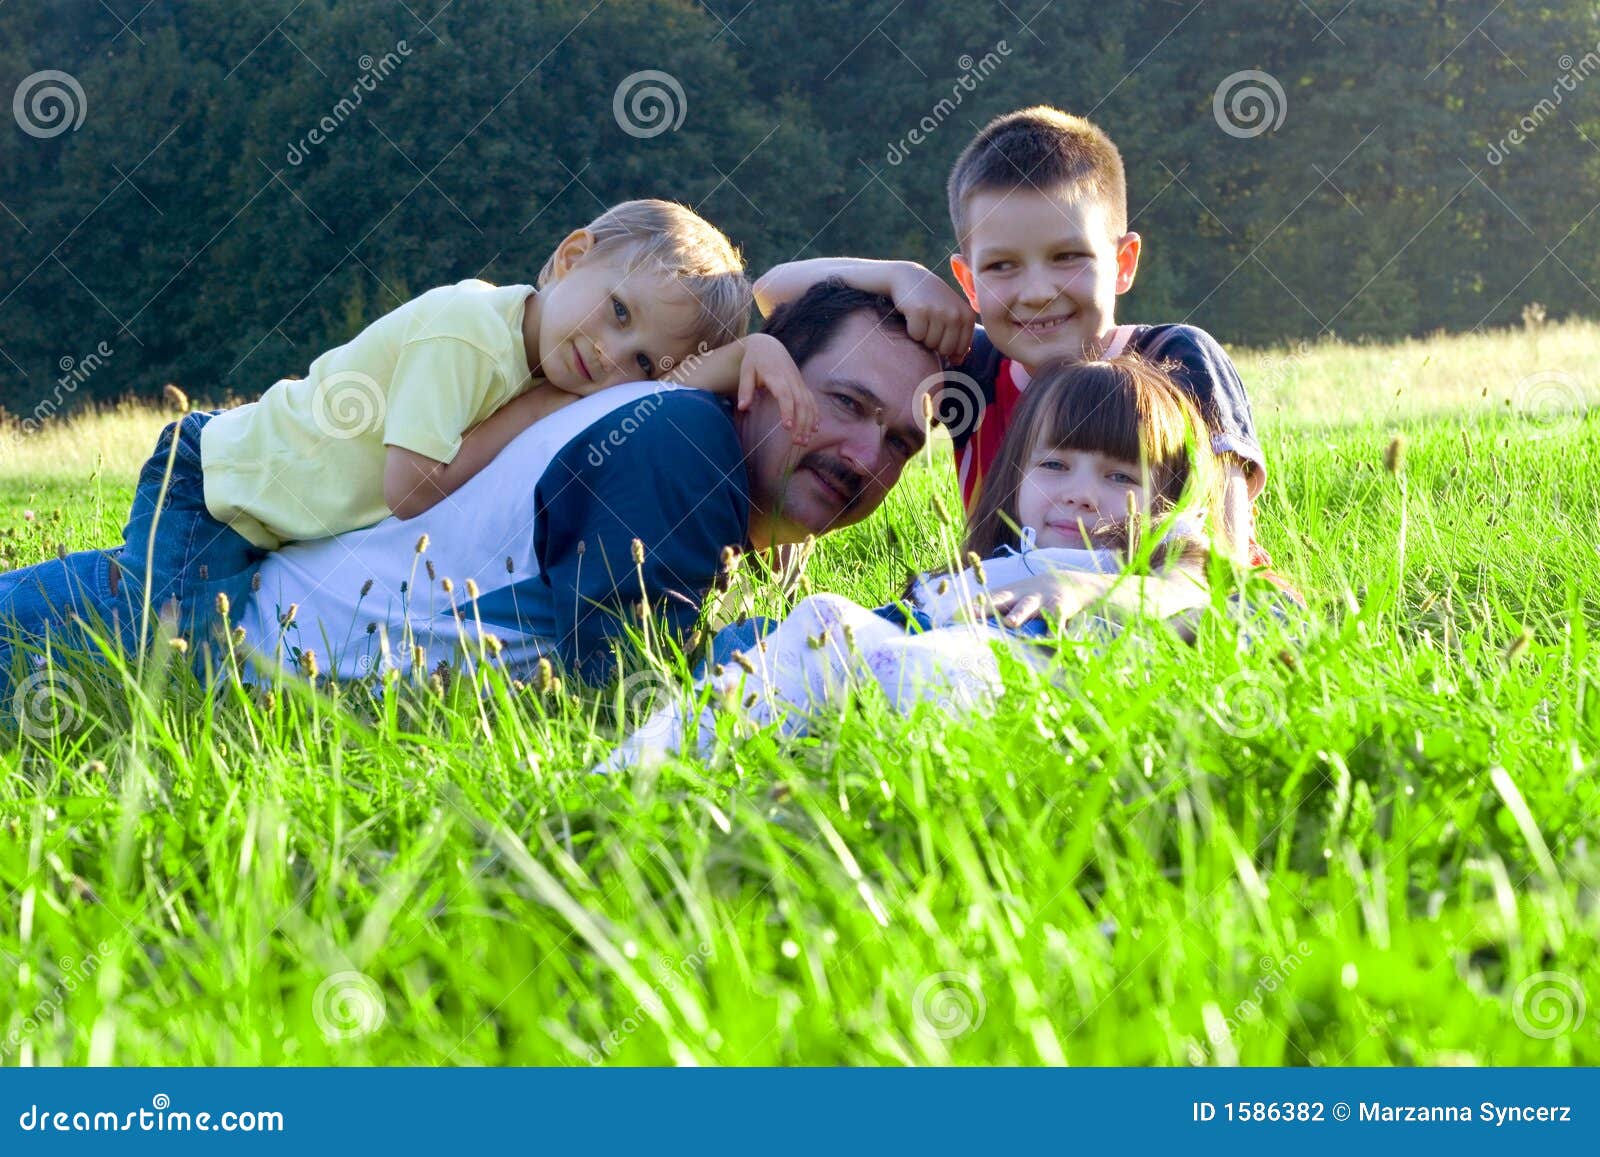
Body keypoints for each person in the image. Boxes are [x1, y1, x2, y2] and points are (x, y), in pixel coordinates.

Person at [0, 282, 939, 699]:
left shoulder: (673, 434)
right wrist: (889, 642)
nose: (865, 454)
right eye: (845, 404)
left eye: (901, 440)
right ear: (758, 382)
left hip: (197, 596)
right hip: (171, 629)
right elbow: (631, 690)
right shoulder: (684, 443)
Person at [25, 198, 826, 663]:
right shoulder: (467, 332)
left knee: (141, 614)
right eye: (617, 311)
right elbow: (409, 490)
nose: (610, 356)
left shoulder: (556, 361)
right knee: (167, 653)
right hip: (216, 483)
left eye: (644, 360)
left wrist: (750, 387)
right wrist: (543, 409)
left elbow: (645, 404)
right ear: (569, 256)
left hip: (275, 513)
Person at [603, 355, 1237, 770]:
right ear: (1015, 476)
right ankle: (635, 767)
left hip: (999, 680)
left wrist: (1077, 587)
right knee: (810, 622)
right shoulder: (990, 567)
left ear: (1166, 498)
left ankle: (812, 741)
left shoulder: (1141, 570)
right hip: (918, 655)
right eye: (1054, 465)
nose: (1079, 491)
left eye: (1120, 475)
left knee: (887, 653)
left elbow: (1197, 594)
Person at [753, 105, 1276, 574]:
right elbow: (774, 294)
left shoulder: (1174, 358)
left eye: (1067, 257)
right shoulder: (970, 370)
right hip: (1009, 604)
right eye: (1002, 266)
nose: (1036, 292)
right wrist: (899, 276)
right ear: (968, 282)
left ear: (1122, 263)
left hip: (1168, 607)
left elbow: (1225, 553)